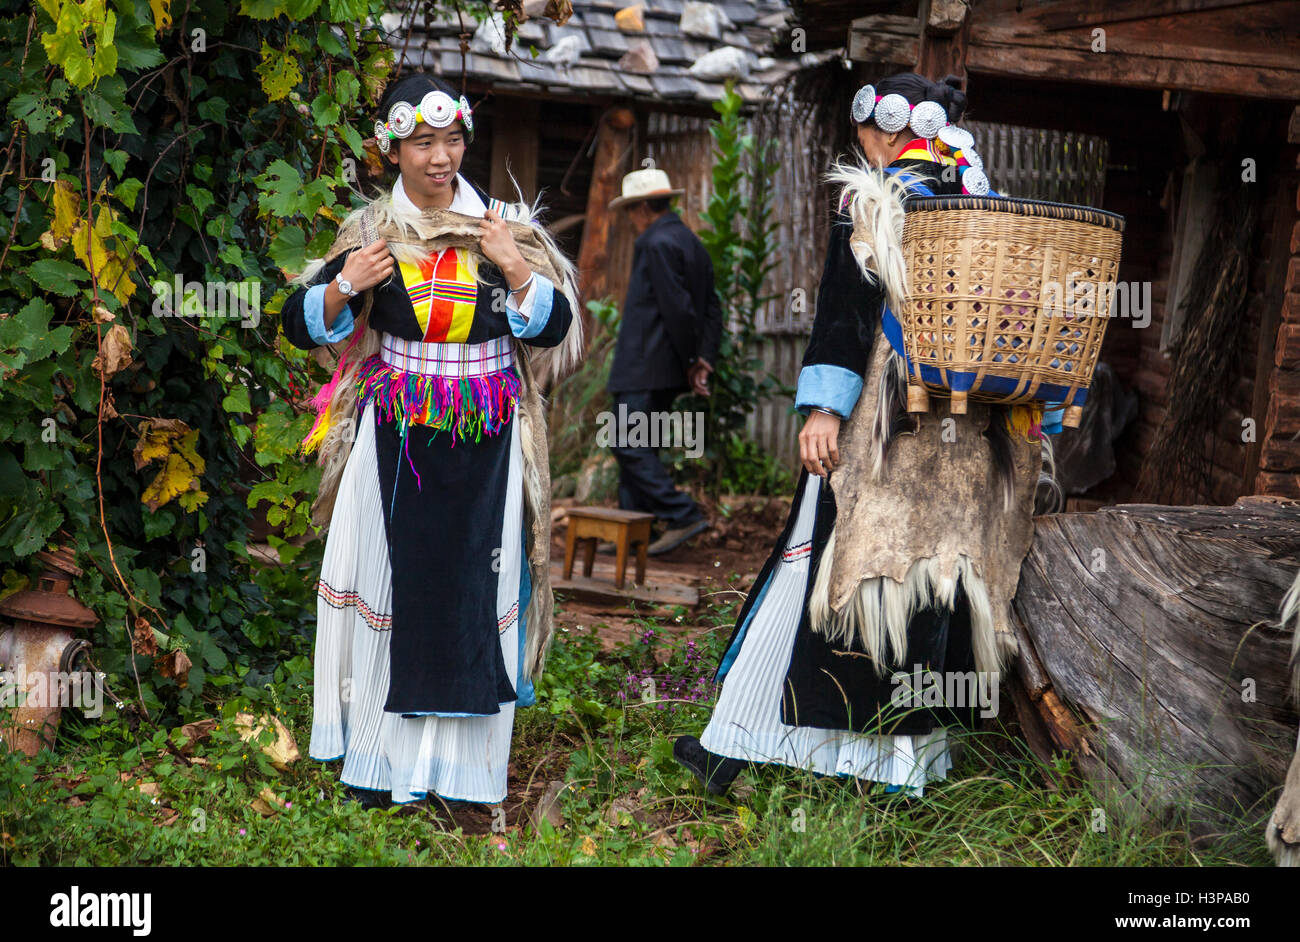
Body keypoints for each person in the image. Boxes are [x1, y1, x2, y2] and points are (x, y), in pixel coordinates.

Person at [674, 73, 1062, 797]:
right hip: (966, 439)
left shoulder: (876, 197)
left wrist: (823, 407)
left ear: (881, 130)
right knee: (931, 579)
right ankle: (902, 771)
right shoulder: (987, 204)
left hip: (885, 427)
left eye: (863, 131)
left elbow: (848, 310)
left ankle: (743, 742)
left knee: (835, 558)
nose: (861, 143)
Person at [280, 73, 581, 808]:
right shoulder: (369, 232)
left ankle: (465, 777)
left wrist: (513, 267)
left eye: (452, 140)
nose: (441, 157)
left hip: (488, 437)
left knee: (475, 592)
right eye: (423, 143)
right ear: (393, 151)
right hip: (396, 436)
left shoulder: (502, 227)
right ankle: (381, 770)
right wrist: (345, 284)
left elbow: (555, 327)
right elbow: (300, 324)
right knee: (391, 585)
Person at [605, 163, 722, 556]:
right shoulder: (691, 243)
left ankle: (682, 513)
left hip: (644, 366)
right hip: (665, 369)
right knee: (641, 445)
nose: (630, 221)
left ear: (640, 209)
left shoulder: (654, 243)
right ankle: (633, 535)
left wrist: (692, 358)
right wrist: (702, 358)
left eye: (630, 213)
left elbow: (678, 310)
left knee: (627, 444)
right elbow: (710, 308)